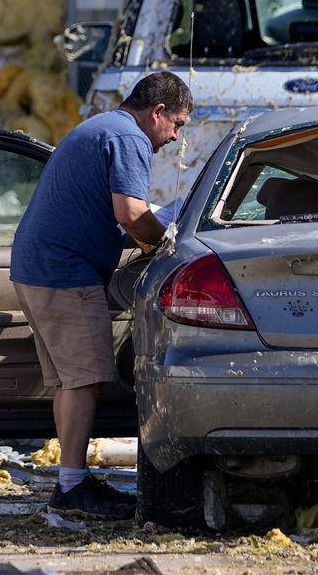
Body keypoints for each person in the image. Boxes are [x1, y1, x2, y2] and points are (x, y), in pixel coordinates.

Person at [10, 71, 191, 519]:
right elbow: (130, 213)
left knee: (73, 381)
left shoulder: (102, 127)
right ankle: (71, 487)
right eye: (179, 124)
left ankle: (70, 480)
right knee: (83, 380)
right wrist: (167, 243)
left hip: (39, 267)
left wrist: (143, 232)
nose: (177, 136)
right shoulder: (130, 138)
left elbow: (105, 215)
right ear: (158, 112)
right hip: (63, 272)